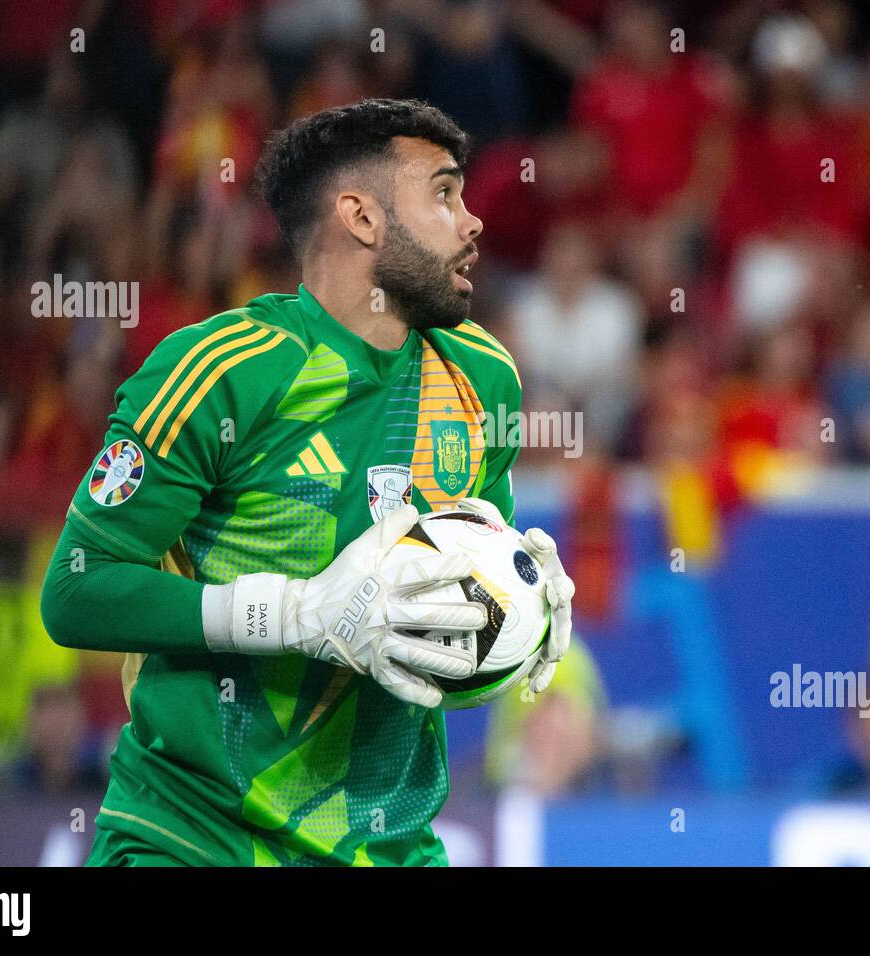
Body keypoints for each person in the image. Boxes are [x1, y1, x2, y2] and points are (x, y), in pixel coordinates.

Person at [40, 99, 574, 867]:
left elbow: (441, 617)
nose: (473, 222)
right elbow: (77, 591)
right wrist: (290, 615)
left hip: (386, 846)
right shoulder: (221, 373)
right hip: (194, 838)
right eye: (445, 194)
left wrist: (513, 611)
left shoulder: (484, 377)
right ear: (361, 216)